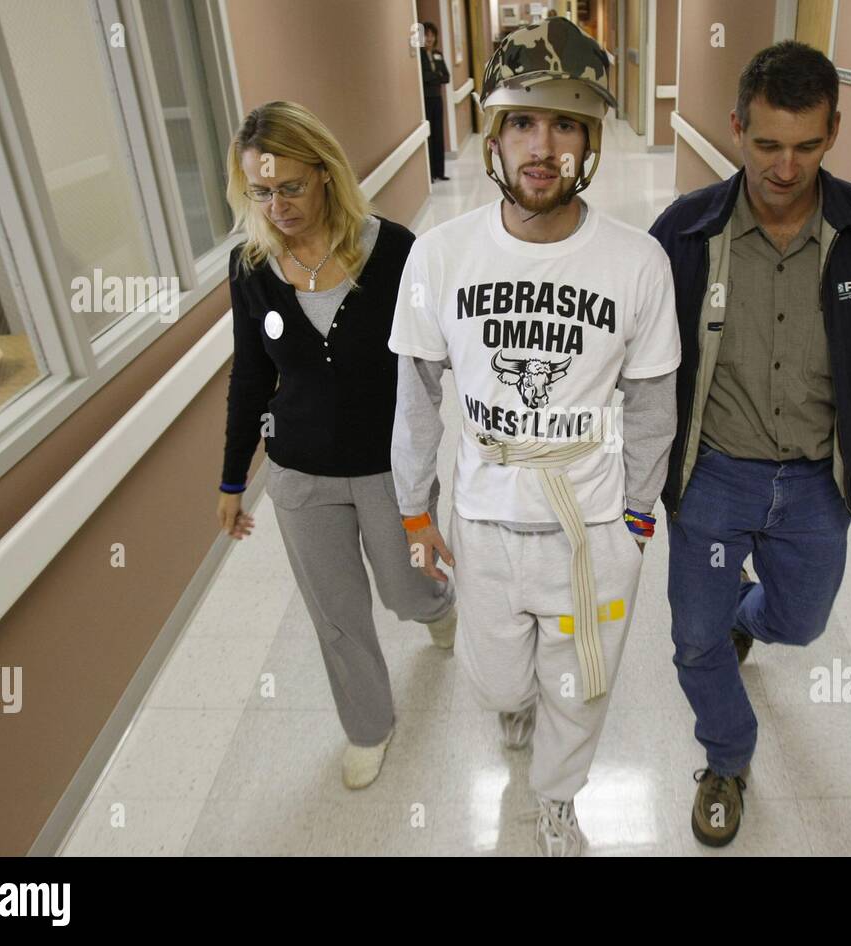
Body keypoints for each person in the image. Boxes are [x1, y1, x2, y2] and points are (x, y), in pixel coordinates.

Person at [388, 18, 680, 856]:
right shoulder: (440, 258)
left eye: (563, 124)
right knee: (499, 680)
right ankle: (519, 708)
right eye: (521, 121)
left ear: (590, 140)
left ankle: (557, 797)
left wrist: (637, 517)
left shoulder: (635, 263)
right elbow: (415, 399)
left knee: (581, 686)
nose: (541, 147)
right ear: (494, 134)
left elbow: (654, 404)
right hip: (484, 515)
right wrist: (416, 511)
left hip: (590, 522)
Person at [648, 41, 851, 846]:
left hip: (816, 481)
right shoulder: (683, 233)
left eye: (807, 146)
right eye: (767, 144)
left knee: (801, 623)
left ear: (834, 132)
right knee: (694, 640)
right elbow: (640, 365)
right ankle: (726, 760)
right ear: (737, 128)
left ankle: (750, 614)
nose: (785, 167)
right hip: (712, 478)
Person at [218, 101, 456, 791]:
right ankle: (368, 725)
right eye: (260, 191)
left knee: (407, 591)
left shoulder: (396, 253)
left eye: (290, 187)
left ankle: (438, 608)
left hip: (391, 471)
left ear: (325, 175)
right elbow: (250, 376)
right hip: (299, 475)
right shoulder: (251, 266)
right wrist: (233, 481)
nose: (277, 205)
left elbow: (433, 362)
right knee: (336, 614)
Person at [419, 22, 451, 181]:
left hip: (437, 98)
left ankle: (440, 172)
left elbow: (446, 77)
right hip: (426, 100)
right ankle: (430, 174)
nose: (429, 38)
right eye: (426, 35)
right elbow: (423, 77)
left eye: (432, 35)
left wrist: (434, 76)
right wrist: (435, 75)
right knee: (430, 137)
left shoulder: (438, 54)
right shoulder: (419, 55)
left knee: (439, 135)